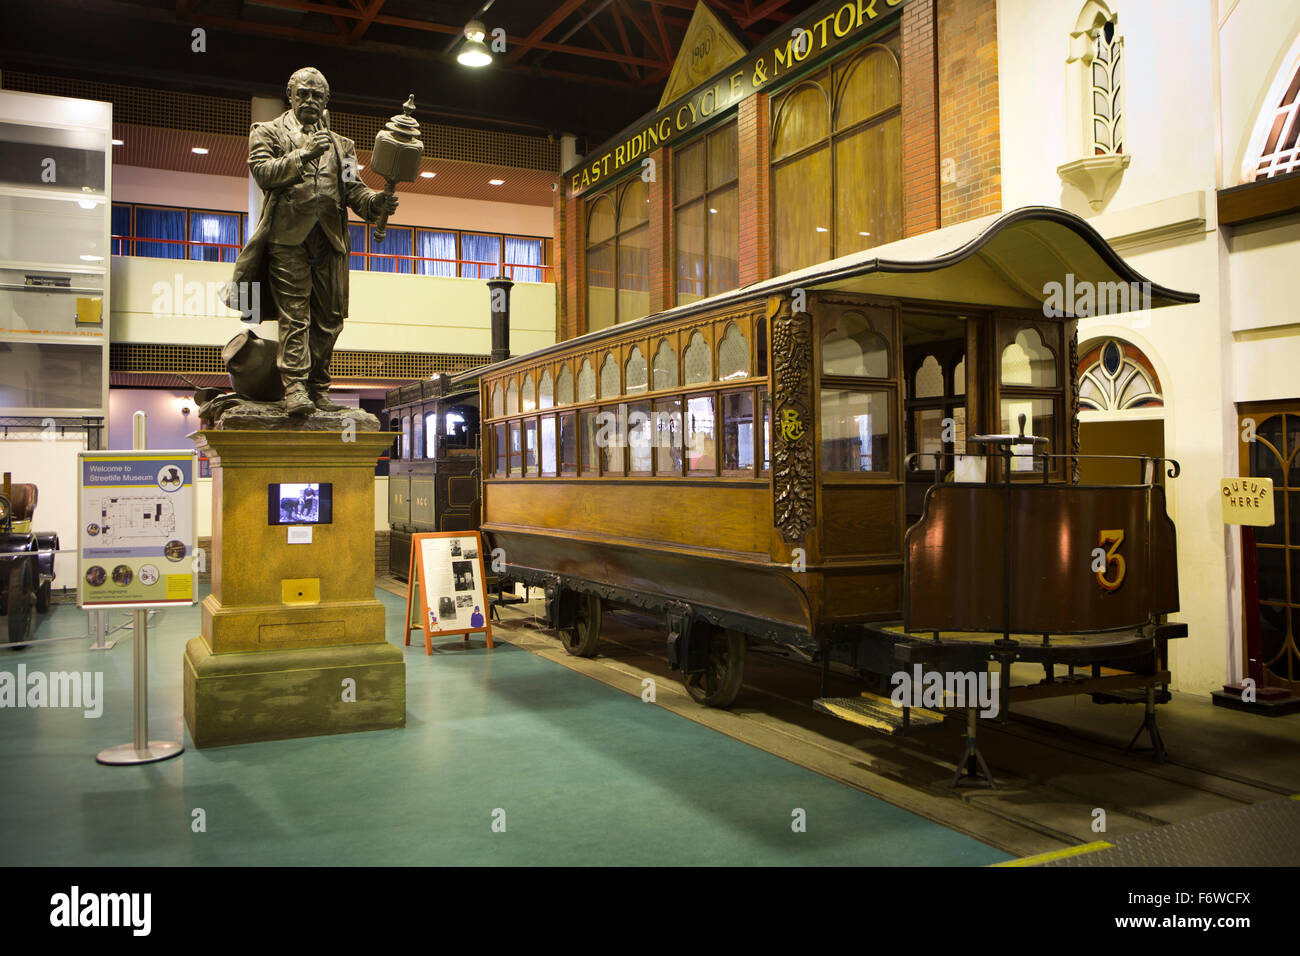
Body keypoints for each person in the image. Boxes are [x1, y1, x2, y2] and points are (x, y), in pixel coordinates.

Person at [232, 67, 398, 415]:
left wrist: (374, 203)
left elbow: (354, 189)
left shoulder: (343, 146)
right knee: (294, 315)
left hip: (330, 240)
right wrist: (303, 154)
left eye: (316, 95)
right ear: (290, 95)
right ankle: (294, 388)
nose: (309, 100)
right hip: (287, 239)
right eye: (303, 93)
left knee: (330, 318)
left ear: (326, 101)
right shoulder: (267, 132)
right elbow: (263, 172)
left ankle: (317, 387)